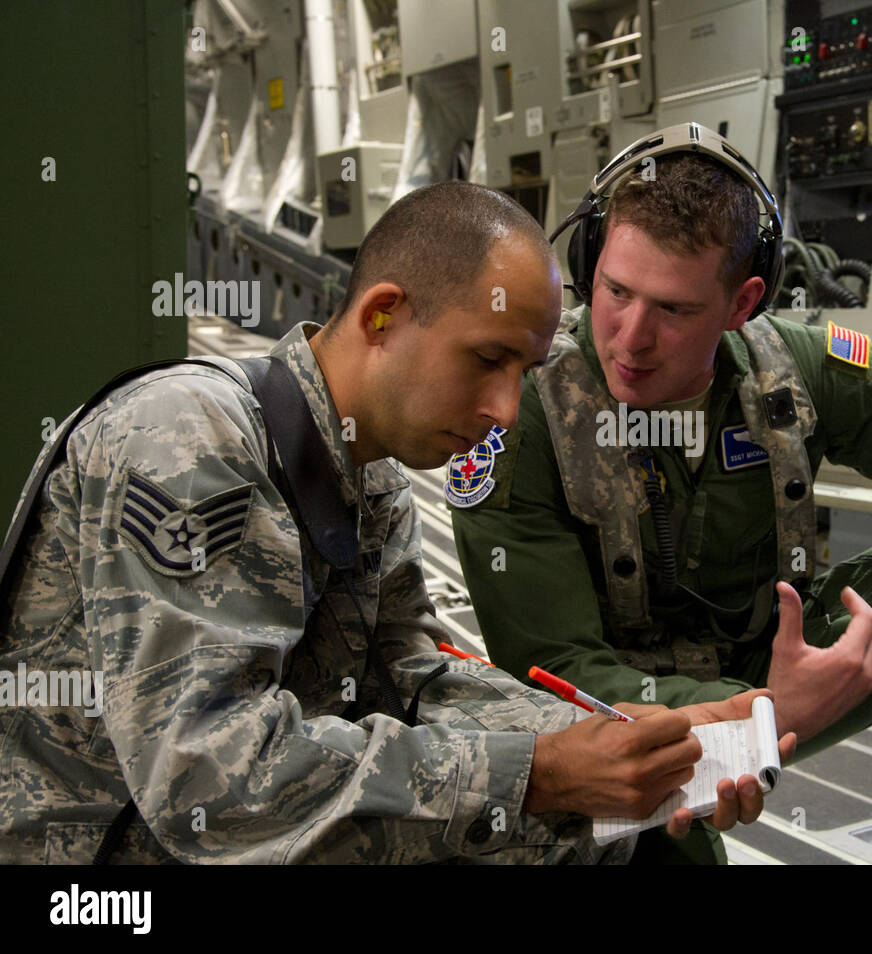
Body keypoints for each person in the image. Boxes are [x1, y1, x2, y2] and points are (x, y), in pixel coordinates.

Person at [0, 181, 793, 864]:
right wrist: (538, 772)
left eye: (526, 374)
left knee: (616, 832)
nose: (505, 411)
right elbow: (206, 779)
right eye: (487, 360)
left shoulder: (369, 475)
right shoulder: (187, 438)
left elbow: (411, 677)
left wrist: (626, 736)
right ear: (383, 315)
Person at [450, 125, 872, 864]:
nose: (629, 338)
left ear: (743, 302)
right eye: (614, 291)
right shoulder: (524, 416)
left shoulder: (792, 374)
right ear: (588, 264)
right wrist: (748, 719)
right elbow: (554, 667)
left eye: (672, 310)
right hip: (618, 716)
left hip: (783, 658)